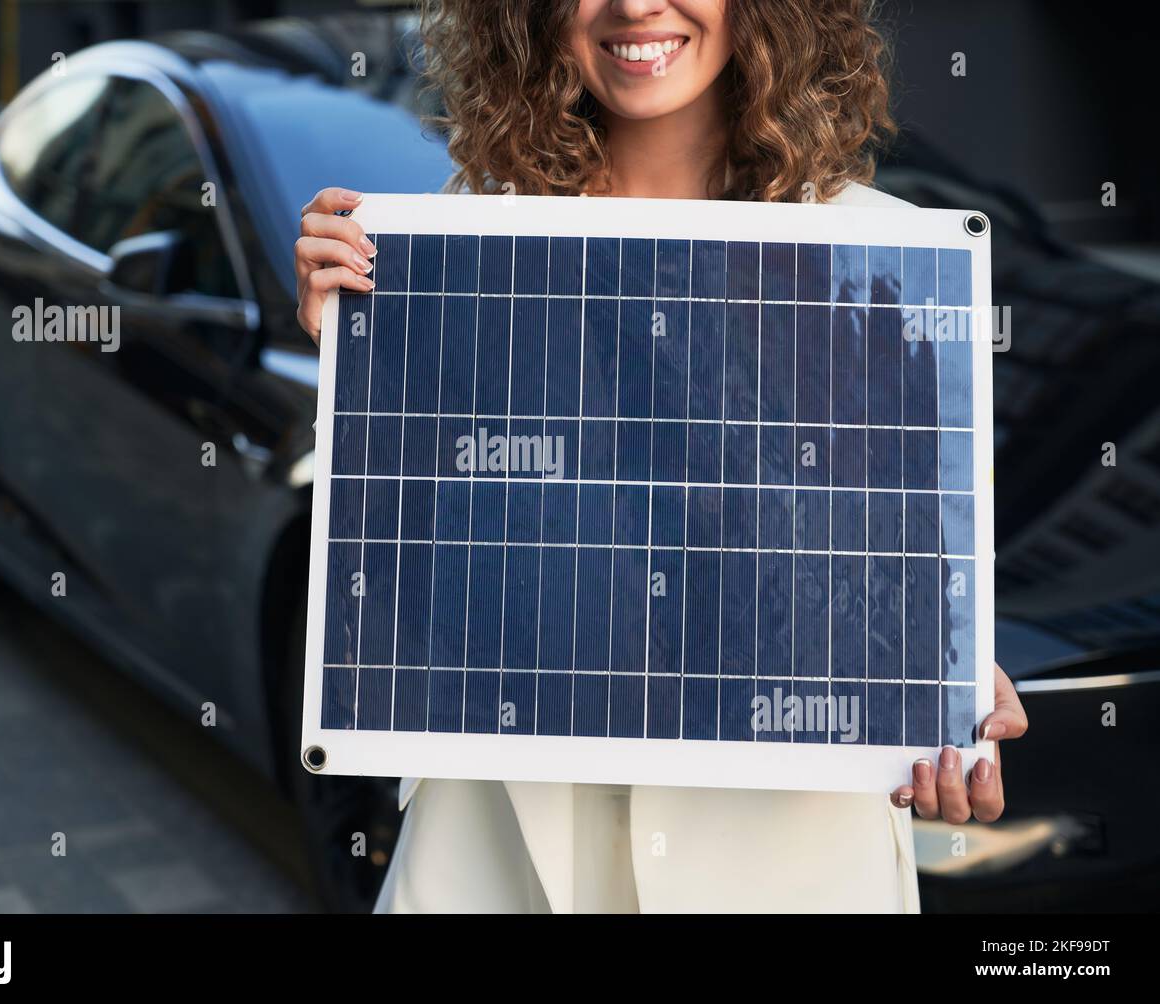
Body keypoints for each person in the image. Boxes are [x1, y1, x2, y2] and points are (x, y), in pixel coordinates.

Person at [295, 0, 1029, 913]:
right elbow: (402, 567)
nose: (636, 5)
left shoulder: (882, 261)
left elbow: (889, 573)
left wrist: (946, 678)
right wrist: (353, 365)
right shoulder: (457, 245)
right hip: (500, 846)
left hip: (779, 865)